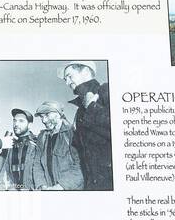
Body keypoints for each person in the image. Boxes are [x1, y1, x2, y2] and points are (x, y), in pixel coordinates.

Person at [63, 62, 113, 191]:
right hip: (91, 185)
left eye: (69, 76)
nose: (67, 82)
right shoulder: (79, 111)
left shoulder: (107, 90)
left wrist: (92, 107)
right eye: (65, 79)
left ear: (85, 71)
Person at [25, 100, 84, 190]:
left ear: (58, 113)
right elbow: (37, 164)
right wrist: (42, 185)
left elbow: (81, 166)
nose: (44, 120)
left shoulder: (72, 134)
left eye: (47, 115)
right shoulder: (42, 137)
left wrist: (61, 186)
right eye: (41, 117)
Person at [0, 108, 37, 191]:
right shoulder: (10, 144)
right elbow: (1, 168)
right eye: (14, 120)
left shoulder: (36, 143)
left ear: (30, 125)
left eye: (21, 121)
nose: (16, 124)